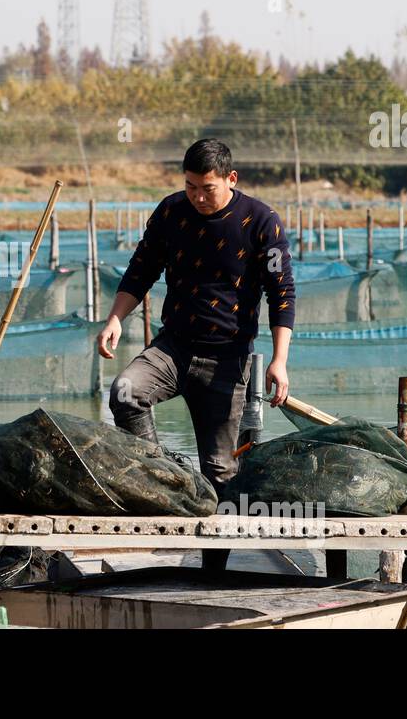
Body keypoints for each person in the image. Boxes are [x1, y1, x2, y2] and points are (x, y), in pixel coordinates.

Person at [97, 139, 295, 572]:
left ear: (230, 179)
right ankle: (162, 477)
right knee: (126, 391)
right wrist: (116, 319)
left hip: (227, 358)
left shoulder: (262, 221)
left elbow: (283, 294)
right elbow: (141, 269)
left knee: (220, 471)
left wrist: (279, 360)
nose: (198, 197)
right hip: (173, 346)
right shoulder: (171, 212)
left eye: (207, 188)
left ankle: (213, 569)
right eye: (190, 187)